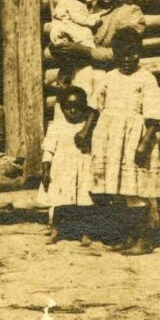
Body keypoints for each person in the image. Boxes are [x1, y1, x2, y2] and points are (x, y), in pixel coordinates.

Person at [82, 26, 160, 248]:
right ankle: (128, 236)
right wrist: (86, 131)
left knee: (135, 191)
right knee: (117, 191)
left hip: (134, 141)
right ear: (114, 53)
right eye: (121, 53)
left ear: (140, 52)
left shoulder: (146, 79)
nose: (127, 58)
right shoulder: (108, 78)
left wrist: (144, 144)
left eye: (133, 53)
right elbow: (95, 107)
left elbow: (154, 117)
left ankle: (143, 239)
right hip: (109, 140)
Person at [42, 74, 97, 240]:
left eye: (77, 107)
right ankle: (56, 230)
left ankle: (85, 233)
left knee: (84, 202)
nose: (73, 111)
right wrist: (46, 169)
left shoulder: (86, 128)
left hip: (83, 170)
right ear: (62, 107)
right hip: (61, 170)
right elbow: (48, 149)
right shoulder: (56, 126)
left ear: (84, 108)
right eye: (68, 107)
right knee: (60, 201)